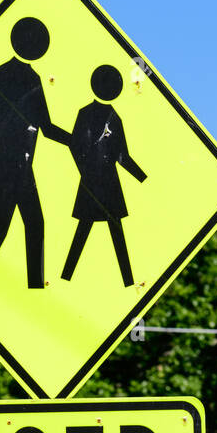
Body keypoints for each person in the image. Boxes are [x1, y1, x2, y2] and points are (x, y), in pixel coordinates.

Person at [0, 17, 72, 289]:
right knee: (0, 228)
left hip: (24, 171)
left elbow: (46, 128)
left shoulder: (33, 79)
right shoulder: (5, 73)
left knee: (34, 225)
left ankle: (34, 289)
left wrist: (76, 141)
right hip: (4, 170)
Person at [60, 64, 147, 287]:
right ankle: (66, 277)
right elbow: (76, 146)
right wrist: (85, 169)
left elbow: (121, 156)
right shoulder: (92, 114)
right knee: (85, 230)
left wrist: (143, 179)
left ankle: (128, 282)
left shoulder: (112, 117)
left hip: (105, 184)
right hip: (98, 183)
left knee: (113, 232)